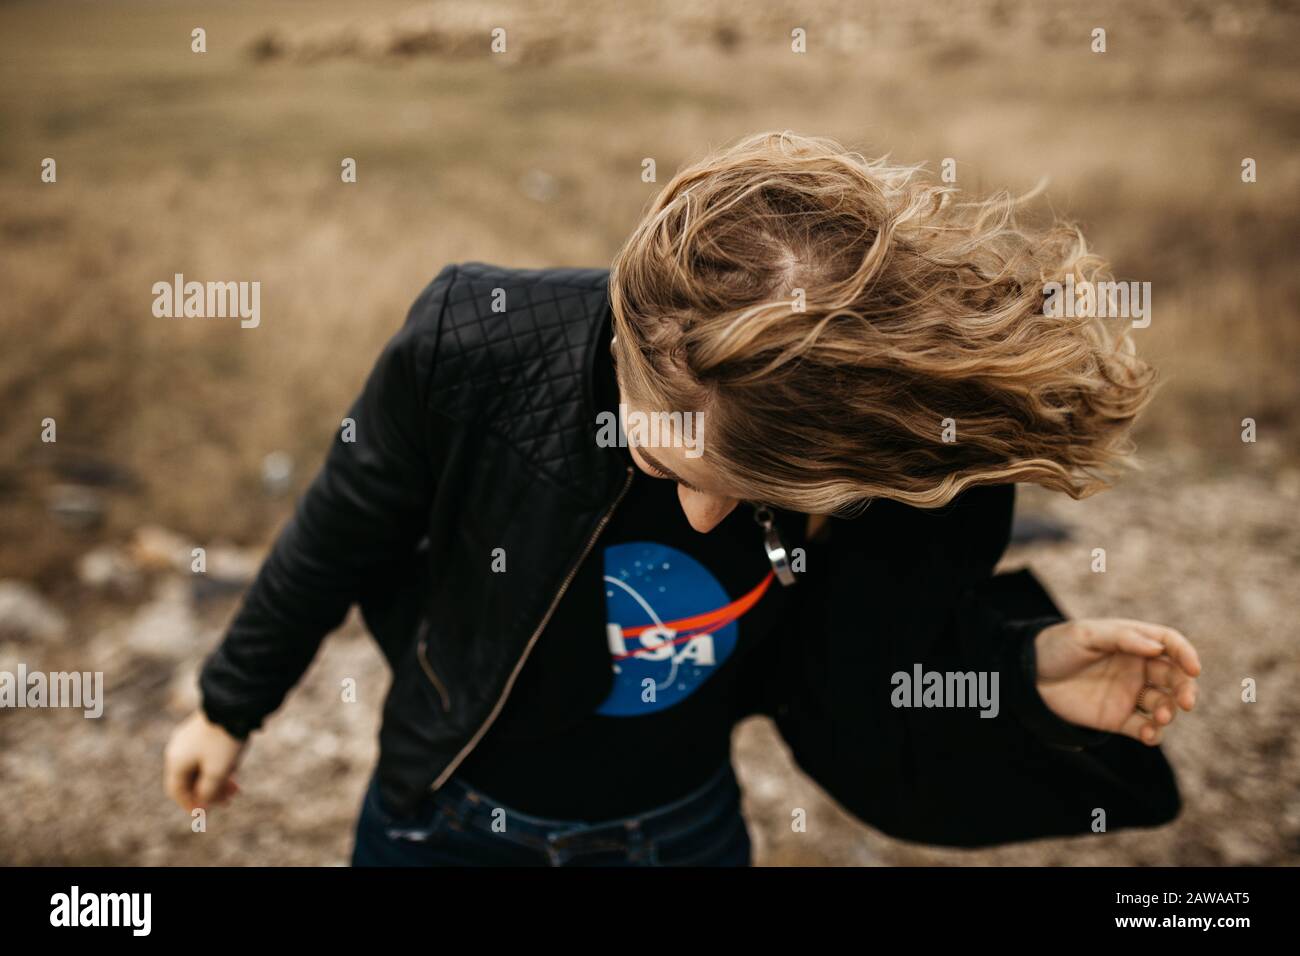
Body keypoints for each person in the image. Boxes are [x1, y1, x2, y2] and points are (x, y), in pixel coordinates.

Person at [163, 132, 1200, 866]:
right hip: (445, 815)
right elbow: (337, 529)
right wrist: (228, 704)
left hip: (678, 825)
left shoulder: (891, 460)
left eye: (752, 494)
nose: (706, 519)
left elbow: (869, 664)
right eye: (668, 469)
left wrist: (1014, 672)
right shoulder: (474, 347)